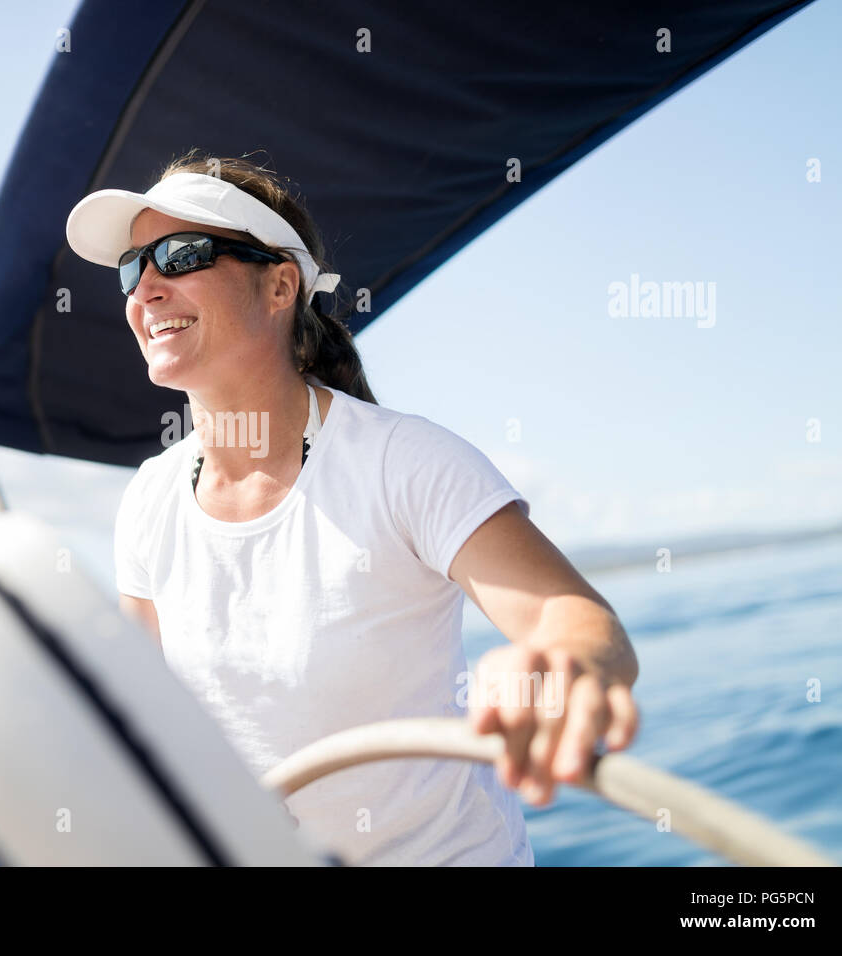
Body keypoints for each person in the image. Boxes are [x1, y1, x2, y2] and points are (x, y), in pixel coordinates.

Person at [64, 150, 639, 866]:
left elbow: (575, 620)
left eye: (180, 255)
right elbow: (144, 717)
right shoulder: (150, 500)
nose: (145, 288)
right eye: (130, 269)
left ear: (279, 286)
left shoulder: (405, 463)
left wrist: (555, 664)